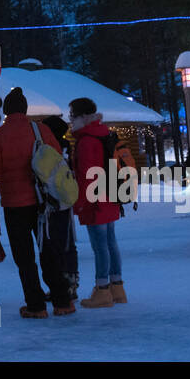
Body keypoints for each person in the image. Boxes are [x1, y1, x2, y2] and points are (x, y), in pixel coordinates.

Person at [0, 87, 67, 319]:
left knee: (25, 257)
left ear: (6, 110)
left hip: (14, 204)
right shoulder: (41, 130)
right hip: (43, 203)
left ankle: (36, 305)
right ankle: (62, 301)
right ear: (25, 109)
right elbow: (57, 159)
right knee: (49, 250)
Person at [70, 98, 126, 307]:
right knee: (110, 243)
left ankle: (102, 291)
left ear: (83, 117)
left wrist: (82, 203)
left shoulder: (86, 140)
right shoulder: (104, 134)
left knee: (100, 246)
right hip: (111, 195)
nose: (71, 120)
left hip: (95, 199)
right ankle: (117, 288)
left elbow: (86, 176)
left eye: (73, 115)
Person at [40, 115, 80, 313]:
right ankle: (69, 283)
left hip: (54, 201)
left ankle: (63, 285)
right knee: (67, 242)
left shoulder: (50, 148)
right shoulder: (66, 146)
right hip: (67, 198)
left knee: (56, 243)